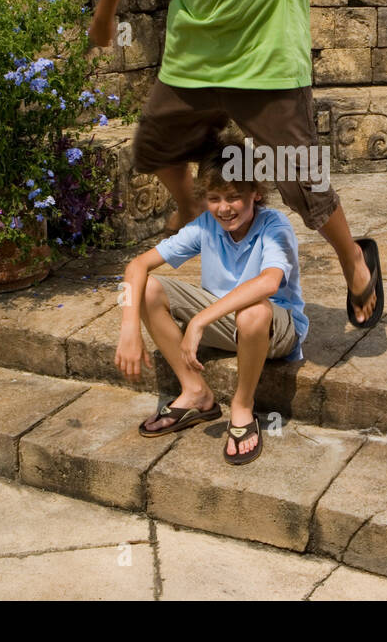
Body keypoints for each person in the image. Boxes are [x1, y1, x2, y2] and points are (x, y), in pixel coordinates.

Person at [88, 0, 384, 328]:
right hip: (191, 62)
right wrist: (105, 15)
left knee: (301, 181)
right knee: (154, 145)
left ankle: (354, 261)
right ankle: (196, 211)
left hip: (266, 61)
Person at [115, 139, 307, 466]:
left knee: (254, 310)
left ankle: (242, 407)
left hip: (274, 328)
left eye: (234, 197)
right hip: (226, 321)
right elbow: (136, 266)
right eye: (214, 198)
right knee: (147, 288)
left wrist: (200, 320)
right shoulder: (206, 224)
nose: (223, 208)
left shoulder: (274, 225)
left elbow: (268, 282)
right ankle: (196, 393)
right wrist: (129, 329)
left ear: (255, 193)